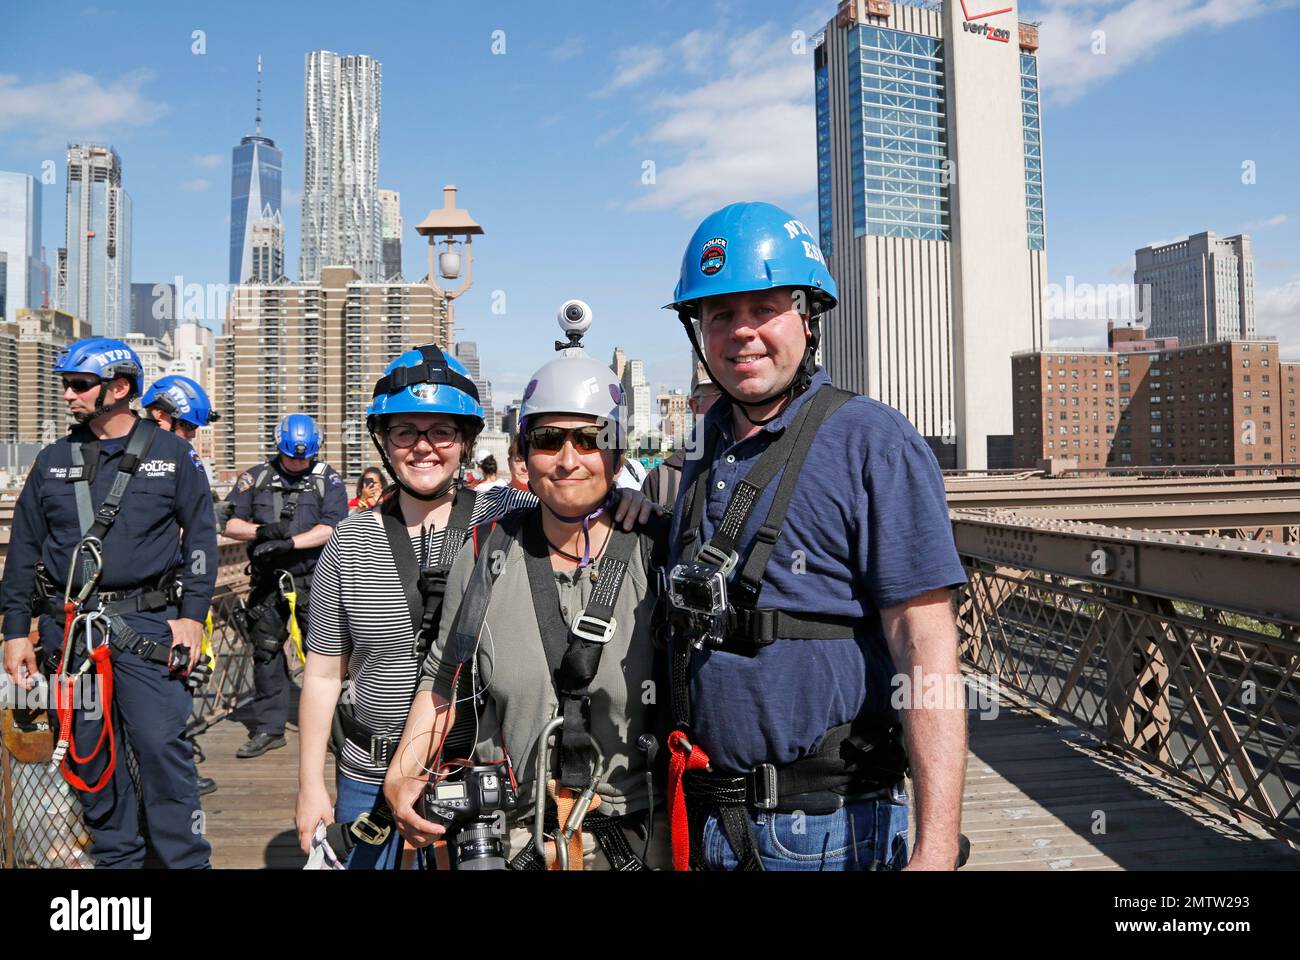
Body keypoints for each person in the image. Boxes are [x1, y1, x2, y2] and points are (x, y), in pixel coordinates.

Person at [662, 202, 969, 871]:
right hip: (710, 818)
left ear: (808, 317)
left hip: (827, 831)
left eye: (763, 308)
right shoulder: (703, 446)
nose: (741, 333)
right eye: (719, 314)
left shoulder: (873, 441)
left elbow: (926, 645)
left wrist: (937, 846)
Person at [299, 342, 656, 869]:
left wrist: (631, 502)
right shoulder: (351, 540)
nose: (423, 448)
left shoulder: (505, 516)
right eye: (405, 432)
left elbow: (572, 494)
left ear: (465, 442)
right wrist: (310, 783)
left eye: (442, 432)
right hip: (372, 772)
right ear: (384, 442)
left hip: (470, 778)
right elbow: (325, 673)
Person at [0, 337, 217, 868]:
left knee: (162, 749)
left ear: (118, 390)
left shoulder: (172, 455)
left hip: (148, 630)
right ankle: (118, 862)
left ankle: (185, 862)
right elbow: (23, 551)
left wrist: (191, 618)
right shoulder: (52, 462)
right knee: (90, 754)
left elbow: (203, 538)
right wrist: (13, 632)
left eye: (79, 385)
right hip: (71, 639)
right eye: (66, 385)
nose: (68, 395)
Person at [224, 414, 347, 759]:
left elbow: (334, 526)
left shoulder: (328, 479)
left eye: (305, 457)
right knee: (265, 652)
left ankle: (336, 728)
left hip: (314, 581)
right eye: (292, 457)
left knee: (327, 656)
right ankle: (268, 728)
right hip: (266, 581)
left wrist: (292, 544)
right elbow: (227, 522)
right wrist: (261, 533)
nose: (298, 463)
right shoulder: (257, 477)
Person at [140, 373, 223, 797]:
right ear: (161, 415)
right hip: (137, 612)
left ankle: (176, 782)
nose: (191, 437)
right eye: (186, 427)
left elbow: (199, 535)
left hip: (172, 608)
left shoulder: (179, 465)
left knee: (173, 701)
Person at [642, 364, 721, 513]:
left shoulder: (761, 464)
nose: (732, 405)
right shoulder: (663, 479)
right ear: (695, 406)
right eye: (720, 395)